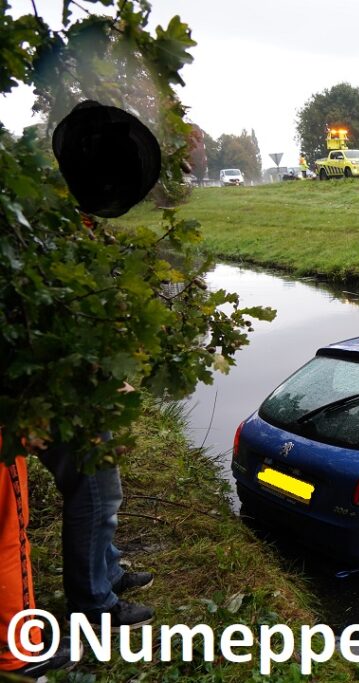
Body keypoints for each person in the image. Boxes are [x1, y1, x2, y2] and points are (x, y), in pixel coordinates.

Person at [36, 101, 164, 628]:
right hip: (59, 389)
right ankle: (96, 604)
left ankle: (108, 573)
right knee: (91, 492)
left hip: (77, 386)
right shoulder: (44, 231)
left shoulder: (68, 220)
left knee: (103, 487)